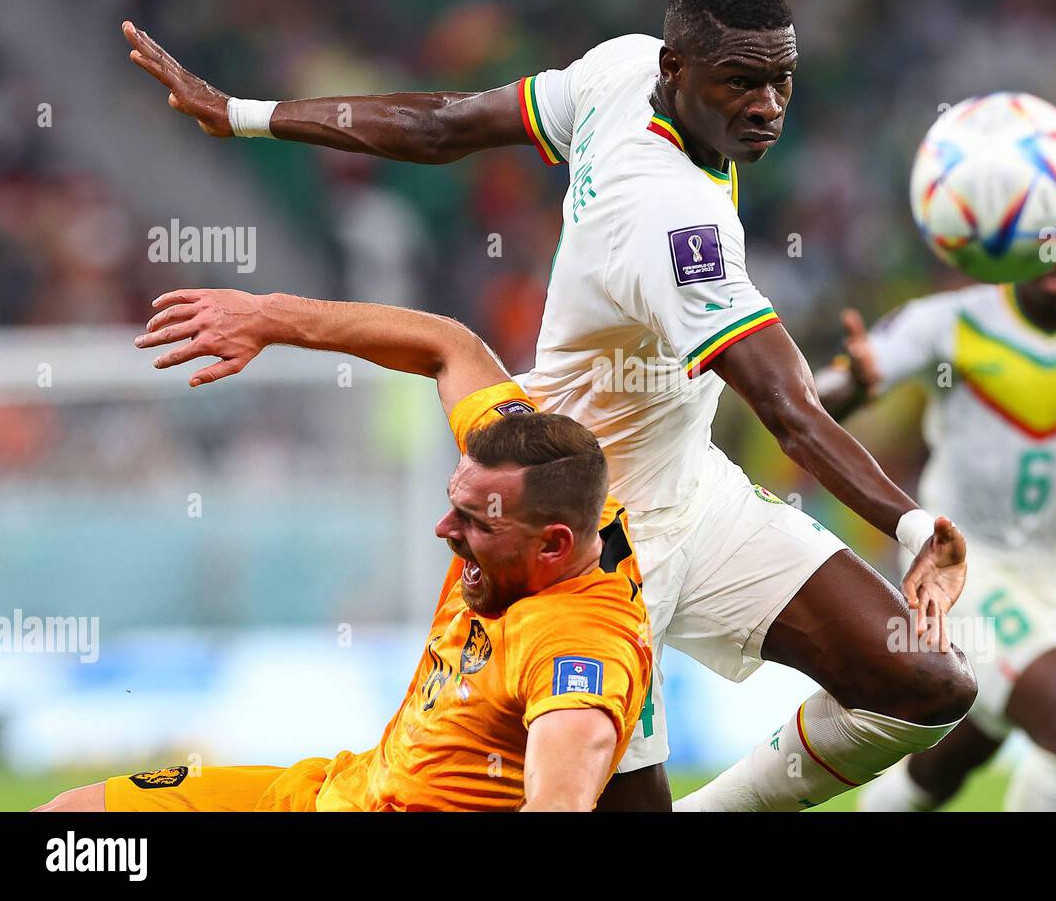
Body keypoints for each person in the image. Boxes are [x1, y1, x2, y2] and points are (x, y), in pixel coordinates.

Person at [120, 0, 976, 812]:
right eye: (740, 82)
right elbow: (788, 412)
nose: (766, 106)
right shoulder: (674, 224)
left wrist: (246, 115)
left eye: (781, 81)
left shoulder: (621, 72)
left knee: (929, 684)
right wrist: (910, 526)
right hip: (589, 539)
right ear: (675, 72)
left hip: (696, 495)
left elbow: (445, 126)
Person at [35, 291, 651, 812]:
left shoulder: (578, 645)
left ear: (554, 545)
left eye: (474, 522)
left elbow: (561, 794)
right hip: (339, 786)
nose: (444, 530)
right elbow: (449, 346)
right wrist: (270, 317)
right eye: (454, 503)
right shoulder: (549, 480)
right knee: (74, 821)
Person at [813, 261, 1056, 811]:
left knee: (947, 764)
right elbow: (811, 404)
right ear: (1001, 237)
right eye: (1039, 239)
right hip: (960, 567)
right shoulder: (949, 322)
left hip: (1055, 580)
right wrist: (851, 380)